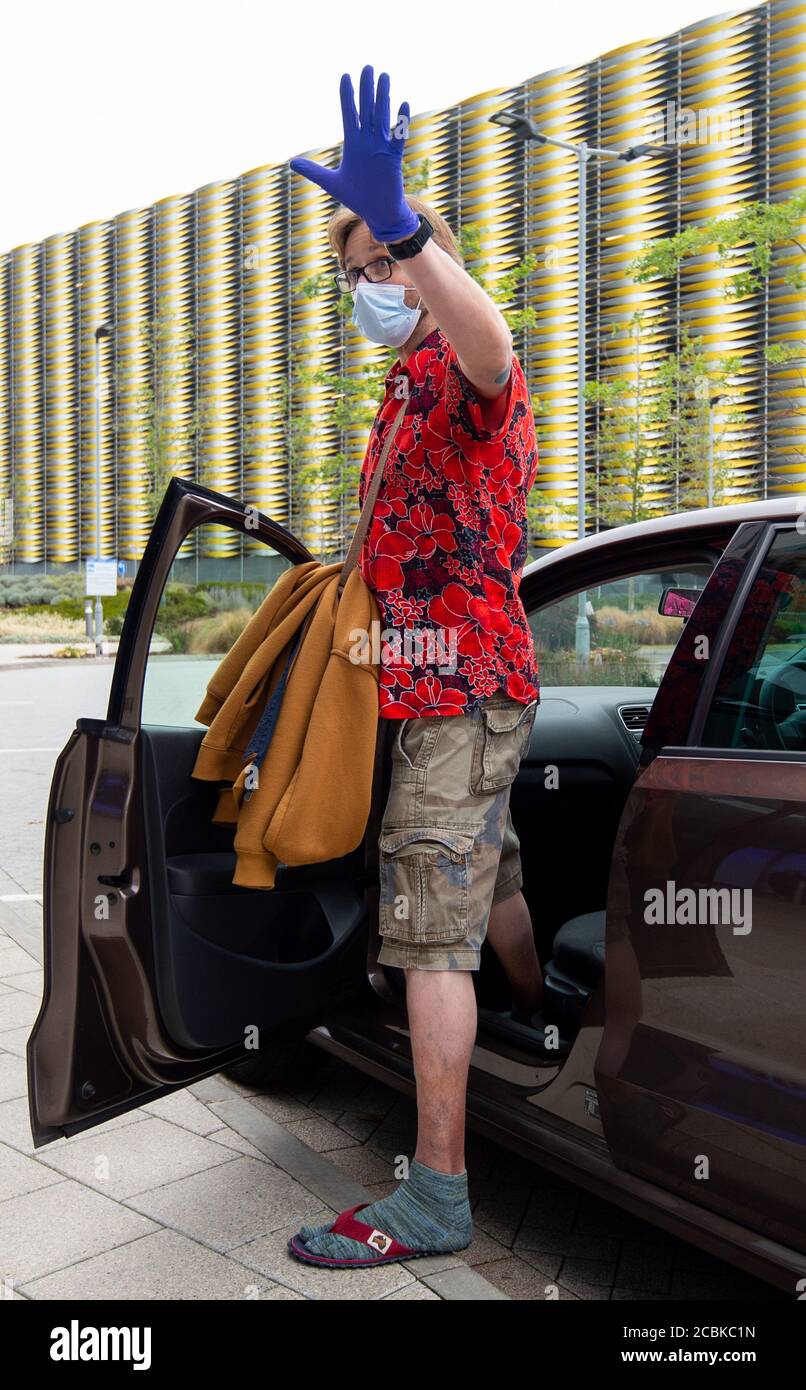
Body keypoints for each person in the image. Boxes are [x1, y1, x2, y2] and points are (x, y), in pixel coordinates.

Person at [286, 65, 543, 1268]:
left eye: (379, 264)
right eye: (351, 273)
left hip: (462, 690)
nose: (365, 288)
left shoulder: (465, 365)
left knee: (428, 929)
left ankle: (435, 1192)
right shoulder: (402, 387)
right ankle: (539, 1013)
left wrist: (405, 230)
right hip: (425, 684)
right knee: (486, 878)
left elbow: (491, 344)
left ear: (421, 256)